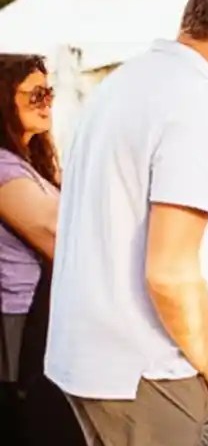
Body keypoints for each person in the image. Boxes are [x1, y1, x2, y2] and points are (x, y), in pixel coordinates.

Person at [45, 0, 208, 446]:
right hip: (149, 368)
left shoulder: (124, 83)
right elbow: (170, 274)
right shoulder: (195, 102)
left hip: (95, 362)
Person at [0, 55, 83, 445]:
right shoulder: (4, 168)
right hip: (16, 319)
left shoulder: (29, 163)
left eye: (49, 93)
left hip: (37, 315)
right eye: (35, 94)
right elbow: (57, 234)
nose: (47, 102)